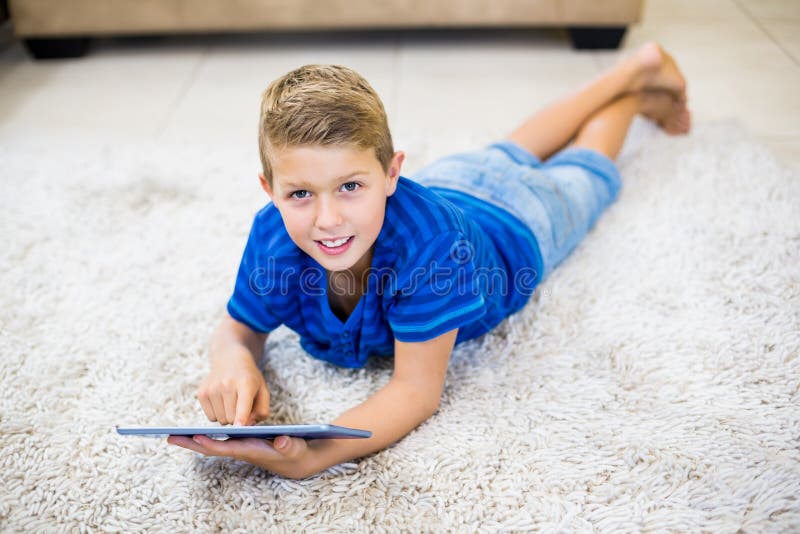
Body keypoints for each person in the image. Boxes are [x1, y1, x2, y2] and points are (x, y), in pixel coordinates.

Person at [167, 42, 690, 479]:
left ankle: (633, 93)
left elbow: (415, 390)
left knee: (586, 170)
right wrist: (232, 360)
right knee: (507, 150)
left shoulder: (432, 250)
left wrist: (318, 456)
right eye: (300, 193)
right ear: (269, 190)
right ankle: (635, 68)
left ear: (391, 174)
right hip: (453, 181)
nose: (327, 219)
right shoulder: (272, 235)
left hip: (518, 223)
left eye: (351, 186)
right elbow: (237, 329)